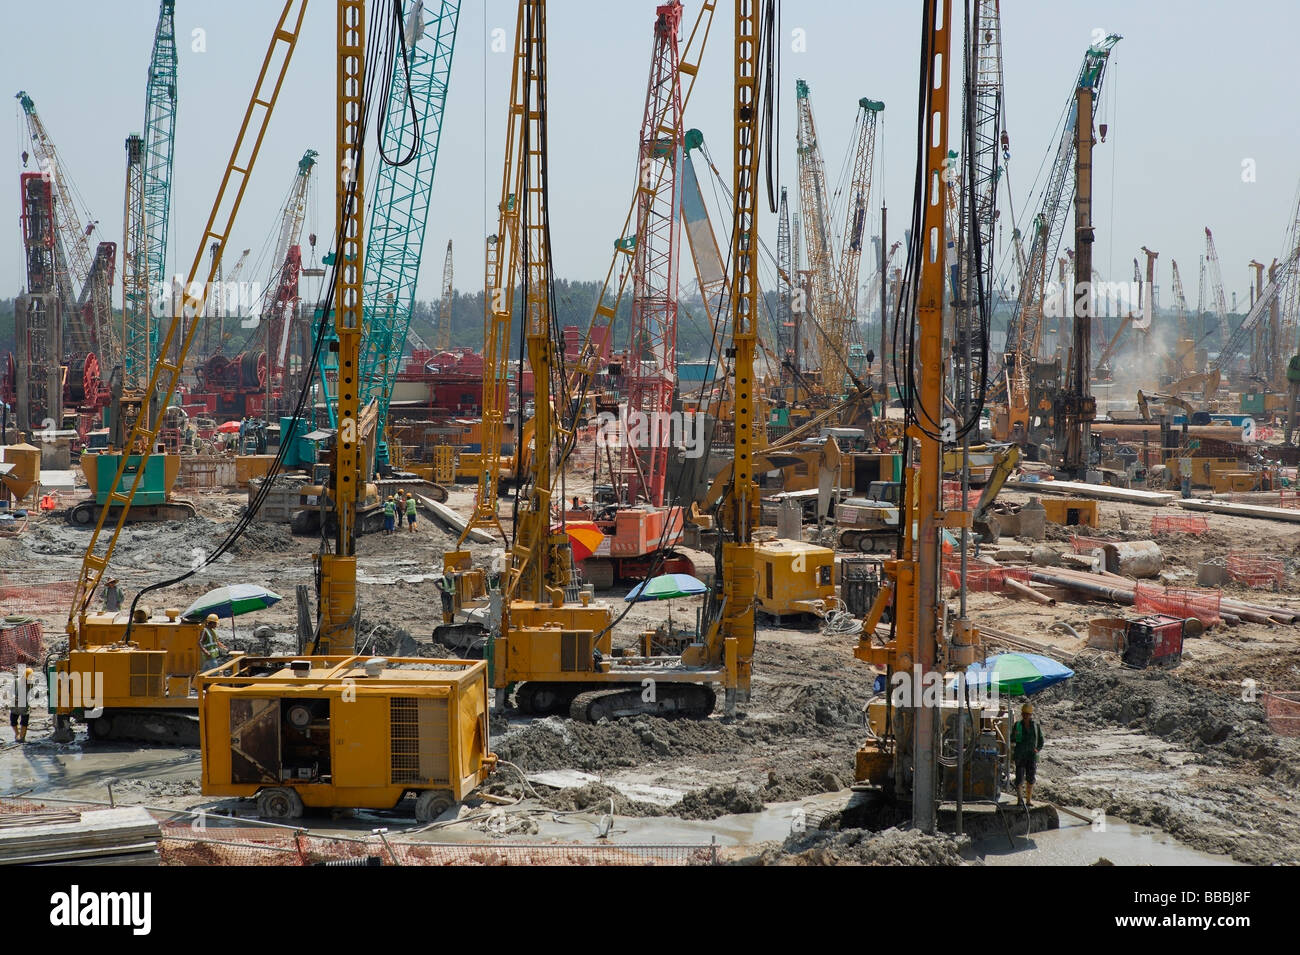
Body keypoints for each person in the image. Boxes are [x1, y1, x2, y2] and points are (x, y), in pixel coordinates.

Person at [1011, 701, 1044, 806]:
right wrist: (1015, 735)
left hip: (1031, 756)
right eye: (1024, 714)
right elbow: (1012, 739)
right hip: (1020, 756)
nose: (1025, 716)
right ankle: (1020, 799)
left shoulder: (1035, 726)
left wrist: (1037, 749)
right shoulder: (1018, 725)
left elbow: (1041, 740)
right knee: (1019, 778)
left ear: (1030, 715)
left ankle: (1028, 800)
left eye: (1027, 714)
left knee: (1030, 778)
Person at [8, 667, 35, 743]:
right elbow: (11, 692)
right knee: (13, 721)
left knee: (24, 722)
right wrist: (14, 698)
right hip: (15, 706)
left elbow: (32, 694)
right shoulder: (16, 682)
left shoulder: (30, 684)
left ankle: (22, 737)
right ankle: (17, 734)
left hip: (25, 706)